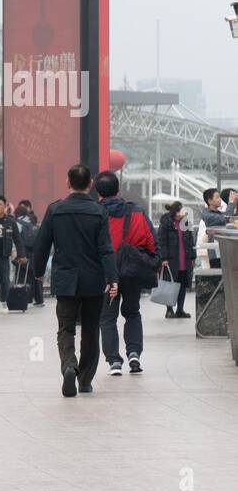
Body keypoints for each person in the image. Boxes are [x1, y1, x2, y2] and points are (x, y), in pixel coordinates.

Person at [31, 164, 118, 397]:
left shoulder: (55, 210)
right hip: (93, 280)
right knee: (91, 330)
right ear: (90, 184)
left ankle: (69, 365)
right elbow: (106, 249)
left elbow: (42, 245)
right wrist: (112, 278)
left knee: (66, 328)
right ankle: (85, 379)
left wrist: (38, 271)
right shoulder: (99, 212)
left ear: (68, 183)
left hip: (65, 279)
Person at [95, 171, 155, 375]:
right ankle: (134, 353)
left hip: (105, 275)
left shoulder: (95, 213)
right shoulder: (137, 212)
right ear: (118, 189)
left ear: (98, 192)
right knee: (132, 313)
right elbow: (151, 242)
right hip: (132, 272)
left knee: (107, 317)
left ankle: (114, 361)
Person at [157, 201, 196, 319]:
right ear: (176, 211)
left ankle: (180, 309)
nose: (184, 212)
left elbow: (191, 240)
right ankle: (169, 310)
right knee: (170, 284)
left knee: (182, 284)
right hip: (172, 259)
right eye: (181, 210)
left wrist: (193, 256)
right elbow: (161, 241)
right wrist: (163, 258)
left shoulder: (186, 222)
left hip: (185, 258)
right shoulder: (166, 222)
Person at [15, 200, 45, 306]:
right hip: (35, 252)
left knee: (22, 276)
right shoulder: (32, 220)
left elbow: (16, 238)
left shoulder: (18, 222)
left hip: (23, 252)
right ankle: (39, 299)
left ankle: (23, 298)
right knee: (35, 275)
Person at [200, 188, 228, 269]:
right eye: (217, 197)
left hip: (222, 251)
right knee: (218, 276)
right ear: (210, 201)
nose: (220, 200)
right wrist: (232, 204)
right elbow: (226, 218)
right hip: (216, 253)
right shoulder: (208, 215)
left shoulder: (218, 213)